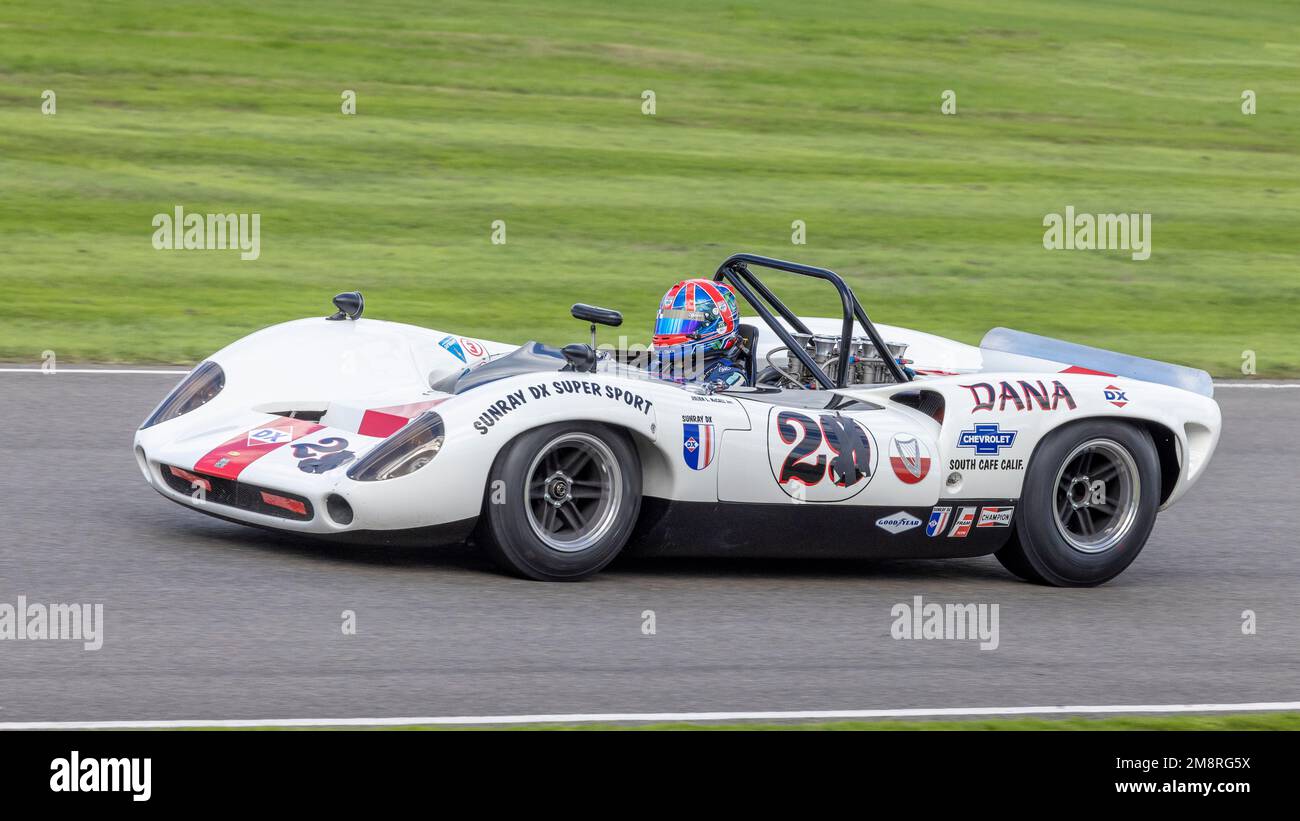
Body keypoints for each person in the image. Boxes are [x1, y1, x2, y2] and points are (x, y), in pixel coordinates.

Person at [651, 278, 748, 390]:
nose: (668, 335)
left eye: (682, 325)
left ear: (715, 325)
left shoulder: (728, 376)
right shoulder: (660, 365)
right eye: (667, 325)